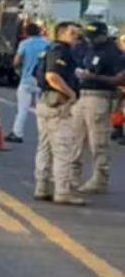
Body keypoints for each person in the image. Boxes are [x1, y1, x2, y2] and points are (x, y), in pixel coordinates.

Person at [33, 21, 84, 205]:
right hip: (57, 104)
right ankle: (63, 191)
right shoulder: (61, 51)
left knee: (45, 148)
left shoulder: (48, 49)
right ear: (61, 33)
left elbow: (36, 74)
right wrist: (70, 93)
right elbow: (52, 76)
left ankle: (42, 186)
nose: (77, 37)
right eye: (73, 33)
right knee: (63, 149)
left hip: (45, 102)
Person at [72, 22, 125, 194]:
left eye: (94, 37)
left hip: (100, 95)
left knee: (98, 141)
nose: (90, 40)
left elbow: (119, 78)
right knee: (75, 138)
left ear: (103, 35)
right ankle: (72, 175)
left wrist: (95, 77)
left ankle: (100, 178)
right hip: (83, 94)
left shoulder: (113, 53)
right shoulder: (88, 49)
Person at [5, 24, 50, 144]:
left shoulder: (24, 44)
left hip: (27, 79)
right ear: (39, 31)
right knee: (42, 110)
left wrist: (18, 67)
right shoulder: (47, 44)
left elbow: (17, 61)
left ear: (26, 32)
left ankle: (17, 133)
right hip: (42, 81)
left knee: (22, 109)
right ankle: (44, 136)